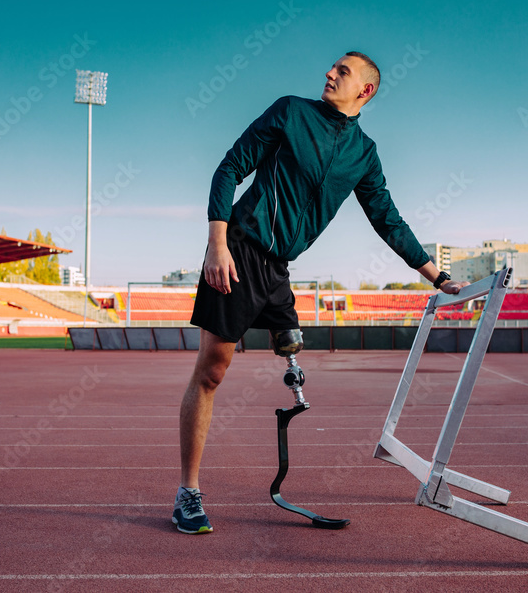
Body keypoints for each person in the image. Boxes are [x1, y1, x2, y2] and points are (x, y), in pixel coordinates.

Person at [172, 52, 469, 534]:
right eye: (332, 68)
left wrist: (437, 277)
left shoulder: (364, 154)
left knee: (291, 344)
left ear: (365, 91)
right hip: (240, 252)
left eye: (343, 71)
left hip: (279, 269)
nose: (330, 74)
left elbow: (387, 219)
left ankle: (286, 369)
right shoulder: (291, 111)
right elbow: (229, 168)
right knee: (211, 372)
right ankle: (188, 494)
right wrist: (217, 244)